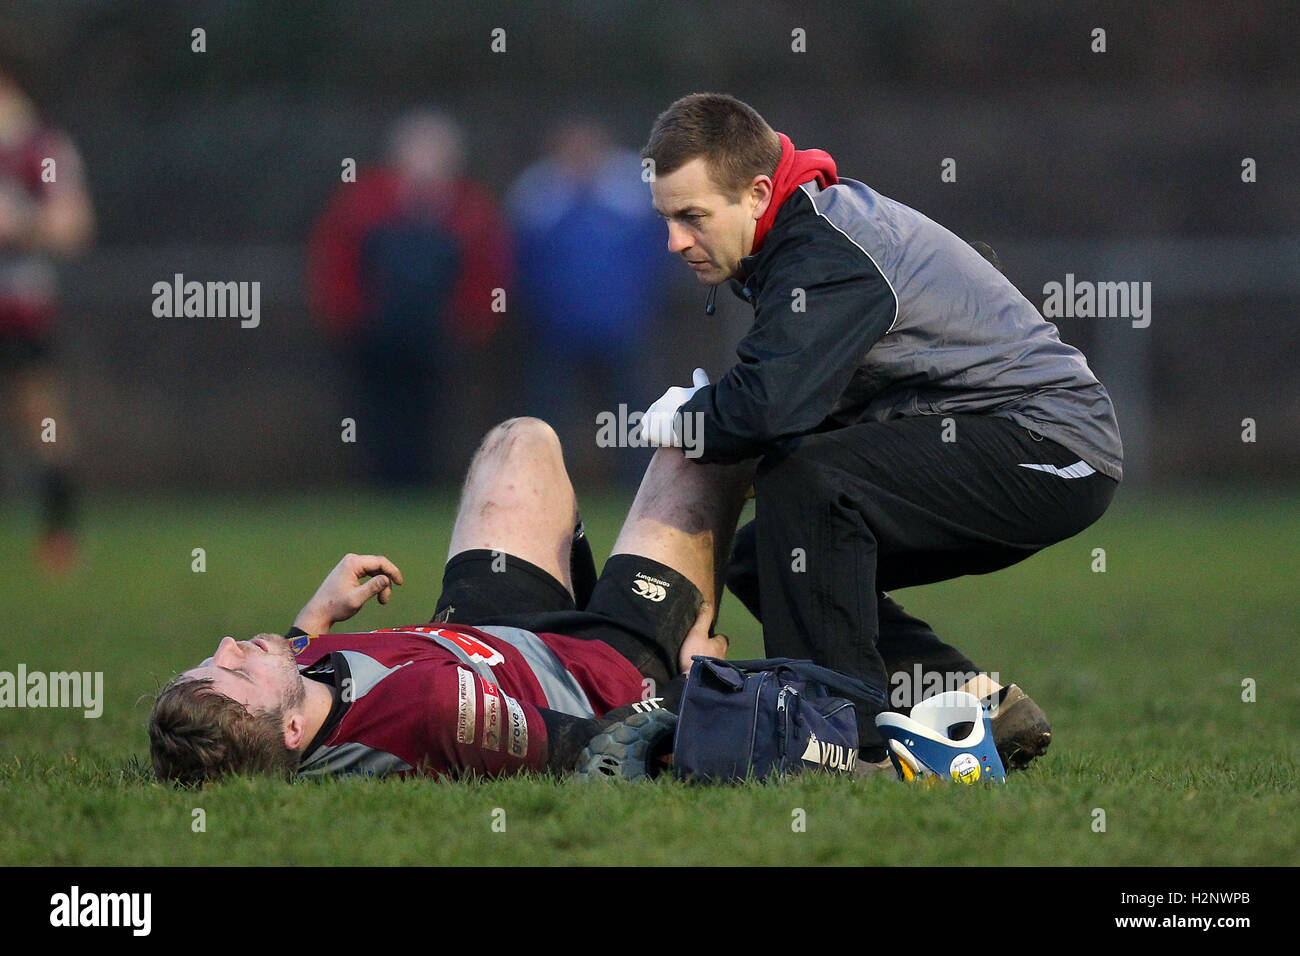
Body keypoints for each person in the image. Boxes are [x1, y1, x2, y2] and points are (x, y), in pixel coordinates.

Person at [637, 93, 1122, 765]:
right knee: (771, 555)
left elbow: (771, 409)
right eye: (665, 218)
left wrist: (683, 419)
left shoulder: (822, 249)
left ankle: (843, 741)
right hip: (999, 432)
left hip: (1053, 443)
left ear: (753, 194)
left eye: (692, 217)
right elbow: (801, 408)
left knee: (810, 486)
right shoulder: (796, 239)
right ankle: (971, 706)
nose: (675, 241)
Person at [148, 417, 752, 784]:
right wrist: (694, 682)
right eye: (232, 674)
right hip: (601, 669)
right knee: (703, 437)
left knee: (519, 443)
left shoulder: (295, 702)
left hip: (479, 631)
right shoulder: (435, 712)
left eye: (209, 661)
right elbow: (601, 749)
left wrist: (315, 618)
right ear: (291, 732)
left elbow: (299, 683)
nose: (227, 647)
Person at [306, 109, 512, 486]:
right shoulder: (362, 201)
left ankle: (421, 484)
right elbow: (335, 260)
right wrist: (347, 319)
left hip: (438, 336)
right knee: (375, 412)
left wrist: (471, 325)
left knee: (431, 414)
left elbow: (486, 271)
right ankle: (378, 484)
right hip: (373, 334)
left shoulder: (470, 208)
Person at [506, 117, 671, 486]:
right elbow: (521, 266)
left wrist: (639, 309)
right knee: (548, 416)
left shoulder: (632, 195)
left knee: (631, 415)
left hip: (621, 327)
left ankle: (642, 486)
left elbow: (655, 260)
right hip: (555, 331)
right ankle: (539, 485)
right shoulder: (537, 197)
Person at [0, 65, 94, 571]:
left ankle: (59, 536)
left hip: (20, 311)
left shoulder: (40, 148)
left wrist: (22, 224)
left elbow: (72, 226)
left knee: (42, 421)